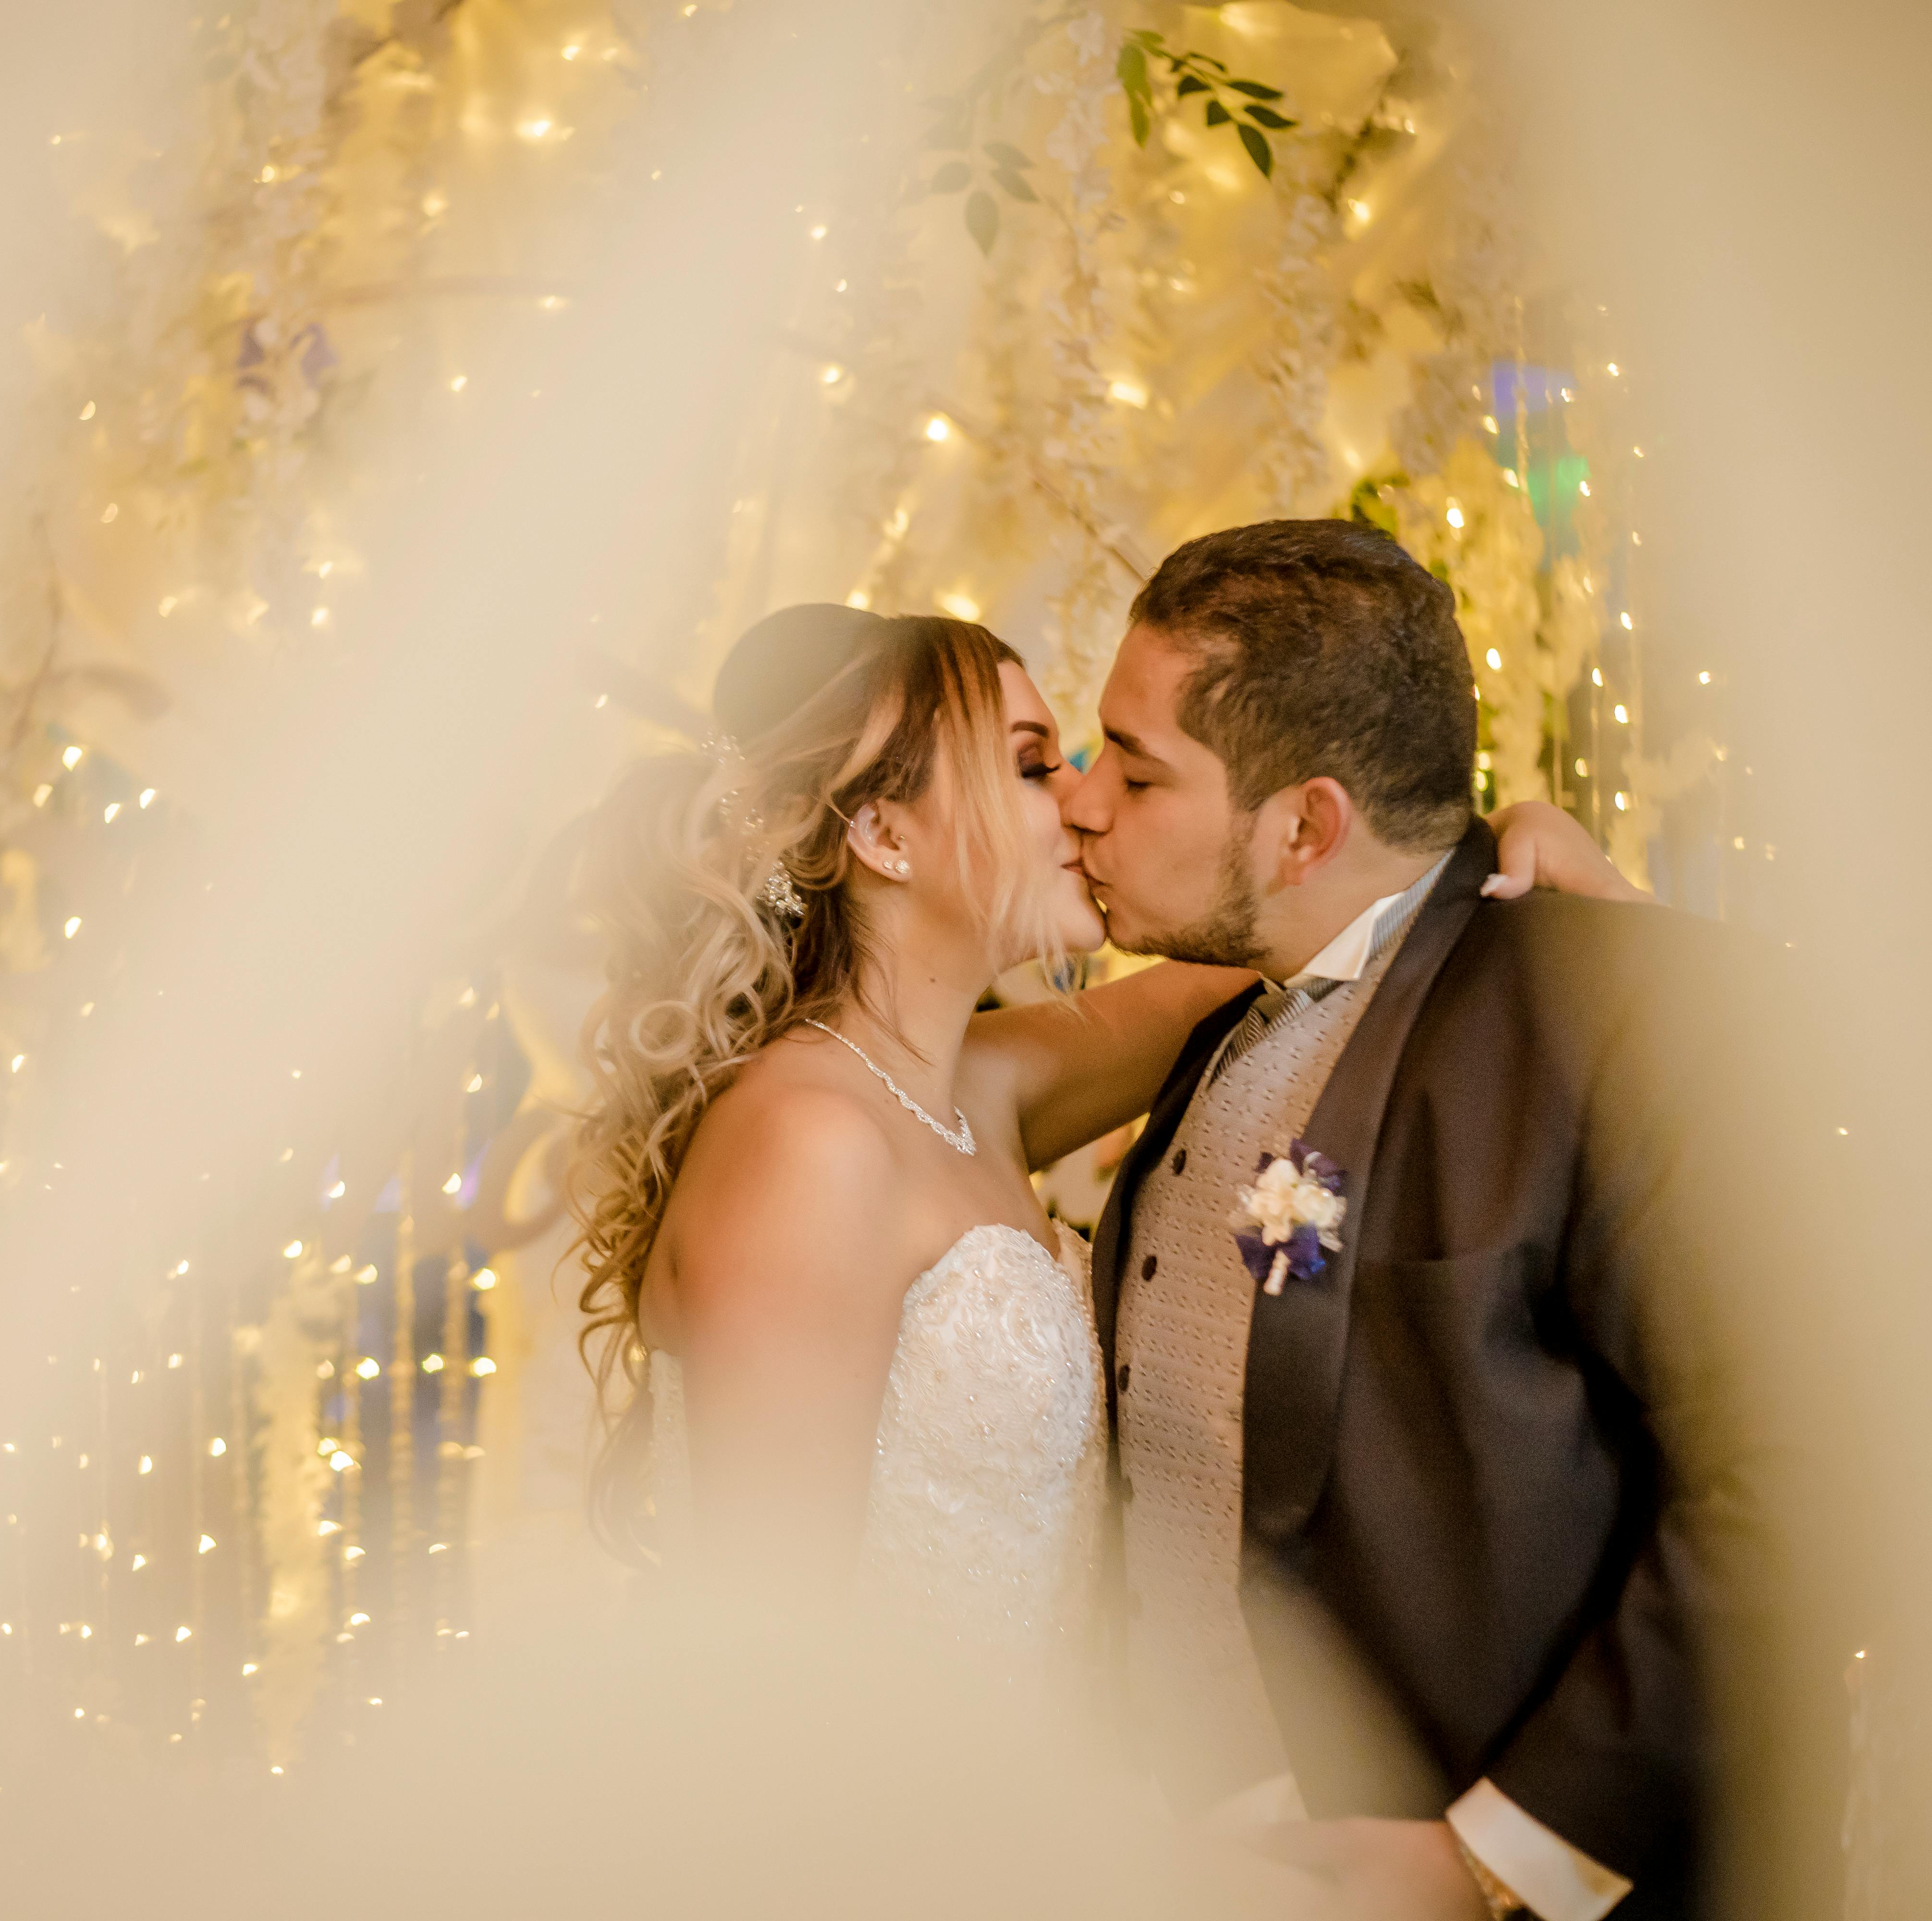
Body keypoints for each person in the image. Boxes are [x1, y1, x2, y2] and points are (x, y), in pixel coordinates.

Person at [565, 601, 1636, 1686]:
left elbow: (1293, 917)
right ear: (884, 835)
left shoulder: (975, 1085)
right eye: (1035, 766)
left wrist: (1479, 842)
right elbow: (766, 1656)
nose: (1082, 800)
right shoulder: (811, 1145)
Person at [1065, 519, 1776, 1921]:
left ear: (1306, 825)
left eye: (1136, 772)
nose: (1086, 806)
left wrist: (1494, 1858)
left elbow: (1797, 1486)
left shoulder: (1608, 1008)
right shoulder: (1223, 1014)